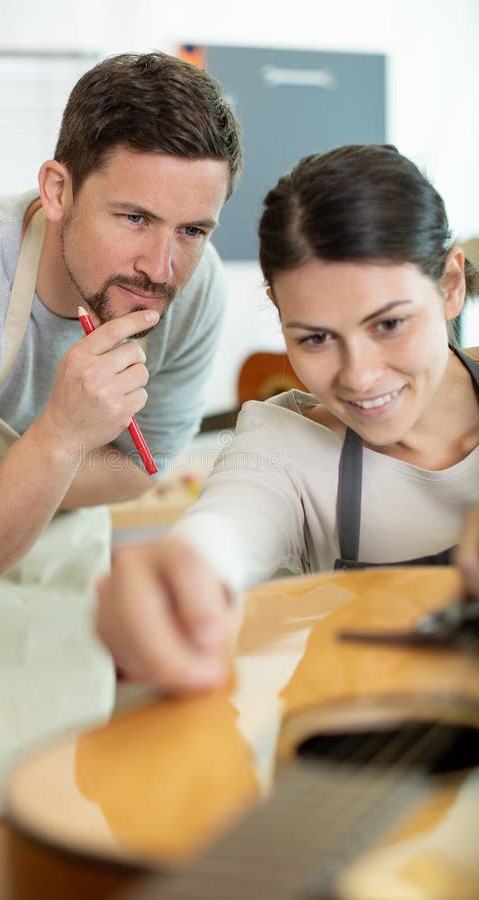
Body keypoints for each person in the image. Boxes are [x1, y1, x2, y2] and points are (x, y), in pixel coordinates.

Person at [0, 51, 242, 821]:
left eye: (194, 229)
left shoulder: (193, 285)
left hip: (58, 613)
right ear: (58, 191)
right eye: (135, 218)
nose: (160, 266)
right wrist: (62, 436)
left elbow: (147, 466)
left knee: (65, 818)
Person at [97, 143, 479, 692]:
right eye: (317, 338)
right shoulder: (283, 444)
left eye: (389, 324)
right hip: (353, 768)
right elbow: (229, 526)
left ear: (450, 287)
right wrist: (185, 575)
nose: (361, 376)